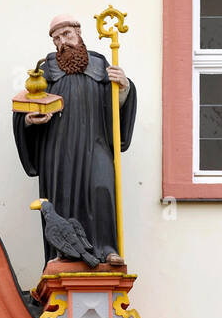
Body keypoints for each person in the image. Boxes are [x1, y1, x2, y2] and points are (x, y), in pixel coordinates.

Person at [13, 15, 135, 266]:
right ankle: (64, 255)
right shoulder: (44, 72)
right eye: (56, 39)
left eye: (66, 35)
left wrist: (123, 89)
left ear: (79, 33)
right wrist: (28, 120)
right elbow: (22, 110)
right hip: (57, 152)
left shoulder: (102, 66)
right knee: (61, 199)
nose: (62, 43)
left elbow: (116, 107)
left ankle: (106, 249)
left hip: (96, 144)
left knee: (102, 188)